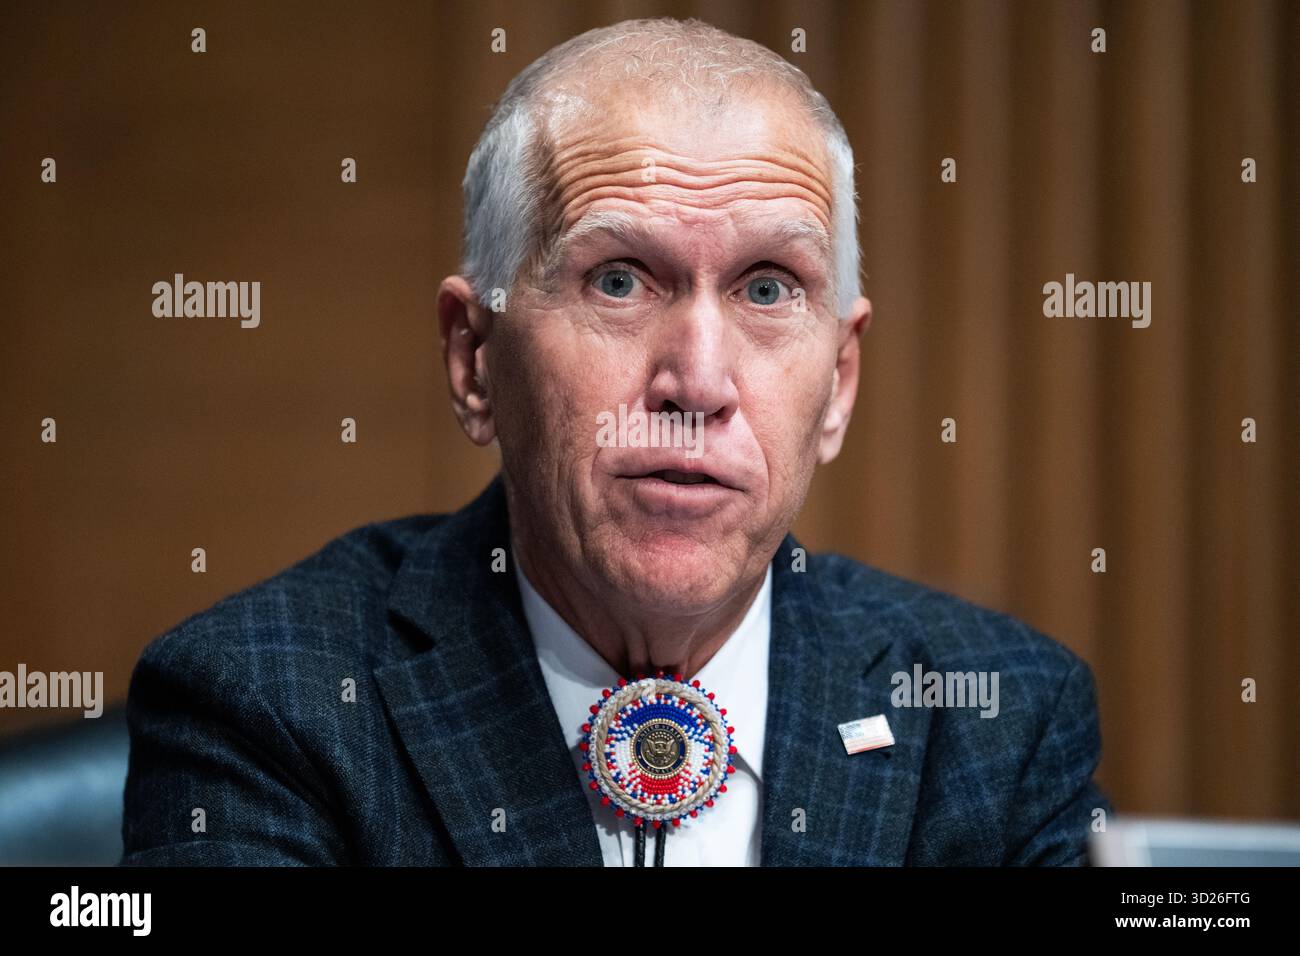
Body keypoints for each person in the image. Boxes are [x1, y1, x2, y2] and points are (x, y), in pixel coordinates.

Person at [120, 17, 1110, 866]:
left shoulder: (999, 718)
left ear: (837, 383)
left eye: (767, 287)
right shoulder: (266, 700)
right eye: (619, 280)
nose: (698, 383)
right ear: (474, 358)